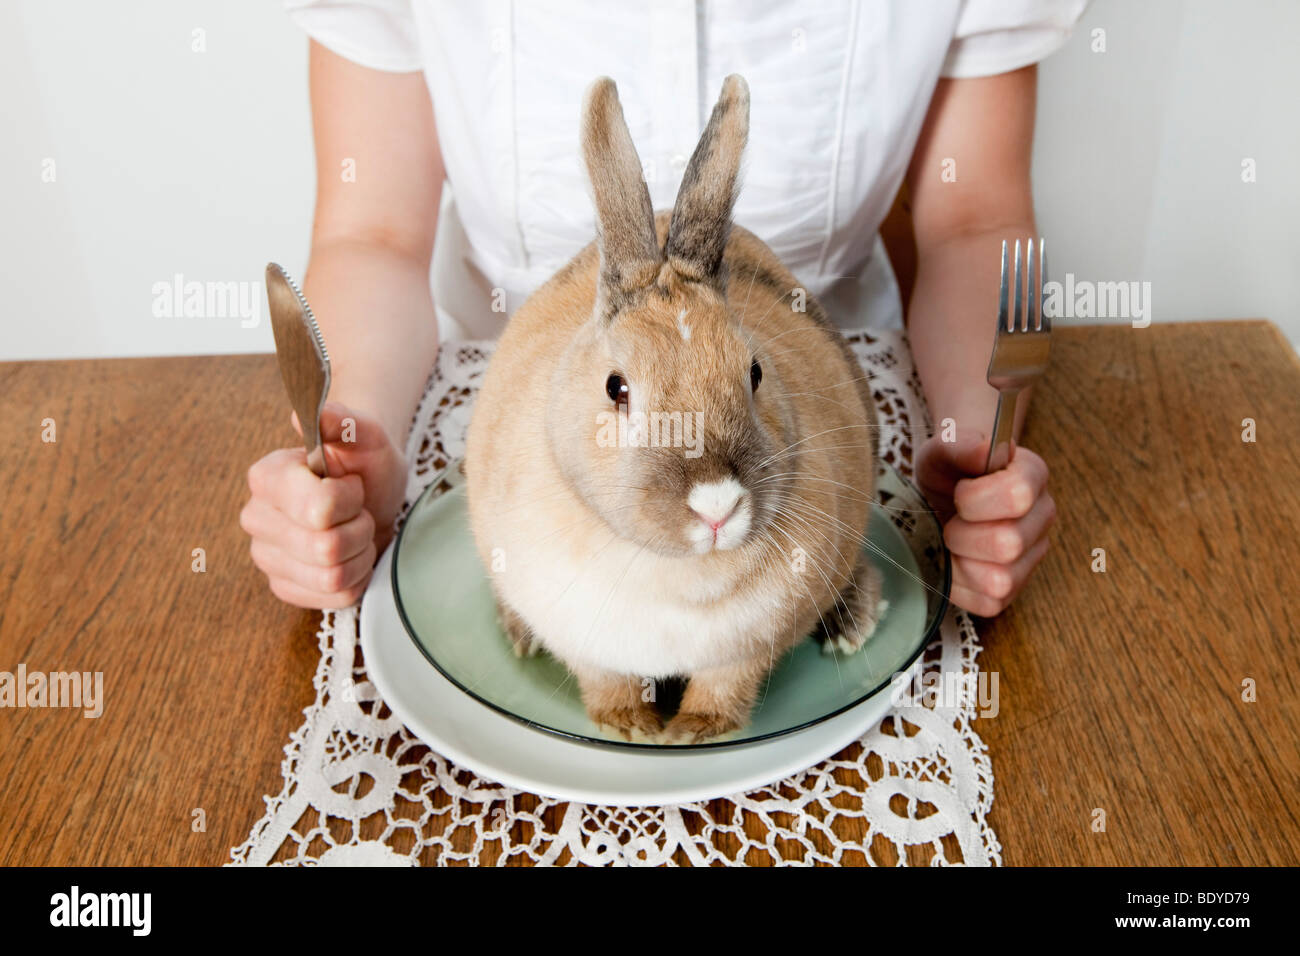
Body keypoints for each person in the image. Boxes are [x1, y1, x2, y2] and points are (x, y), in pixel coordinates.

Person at [242, 0, 1083, 616]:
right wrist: (356, 449)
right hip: (504, 451)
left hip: (808, 437)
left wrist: (980, 444)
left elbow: (978, 222)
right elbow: (374, 235)